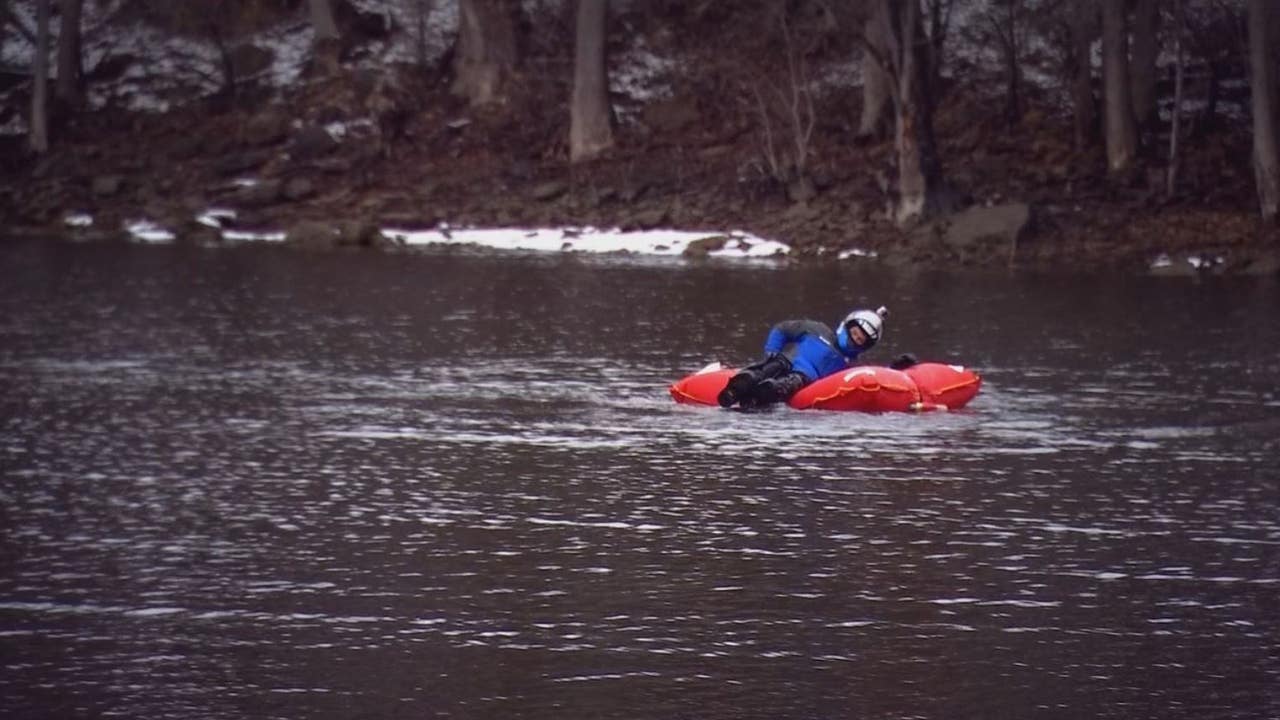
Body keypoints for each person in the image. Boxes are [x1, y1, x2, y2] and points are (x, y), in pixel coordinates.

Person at [718, 306, 888, 408]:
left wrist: (902, 365)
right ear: (847, 326)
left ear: (864, 346)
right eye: (854, 333)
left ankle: (758, 397)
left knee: (784, 385)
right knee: (766, 370)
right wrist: (772, 349)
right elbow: (783, 329)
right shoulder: (817, 329)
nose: (854, 340)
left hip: (803, 377)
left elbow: (873, 378)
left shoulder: (851, 366)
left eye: (859, 340)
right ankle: (735, 389)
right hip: (785, 360)